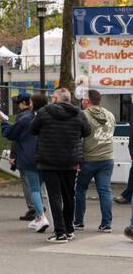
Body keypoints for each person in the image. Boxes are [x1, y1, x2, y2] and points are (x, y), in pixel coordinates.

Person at [31, 87, 90, 243]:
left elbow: (32, 129)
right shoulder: (79, 113)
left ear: (56, 99)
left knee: (54, 197)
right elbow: (87, 131)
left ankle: (59, 232)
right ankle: (69, 229)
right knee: (69, 195)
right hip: (71, 161)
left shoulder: (44, 112)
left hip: (49, 161)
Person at [0, 93, 45, 228]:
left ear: (30, 104)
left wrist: (3, 122)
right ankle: (39, 214)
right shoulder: (48, 118)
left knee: (33, 188)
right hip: (45, 157)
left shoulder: (24, 119)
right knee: (40, 187)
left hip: (28, 157)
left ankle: (40, 214)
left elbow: (12, 135)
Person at [75, 89, 115, 232]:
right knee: (105, 191)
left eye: (82, 99)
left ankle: (78, 222)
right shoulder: (110, 115)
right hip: (107, 158)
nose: (81, 101)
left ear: (87, 100)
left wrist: (77, 160)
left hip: (89, 159)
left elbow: (78, 138)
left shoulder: (83, 115)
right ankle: (106, 224)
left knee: (80, 190)